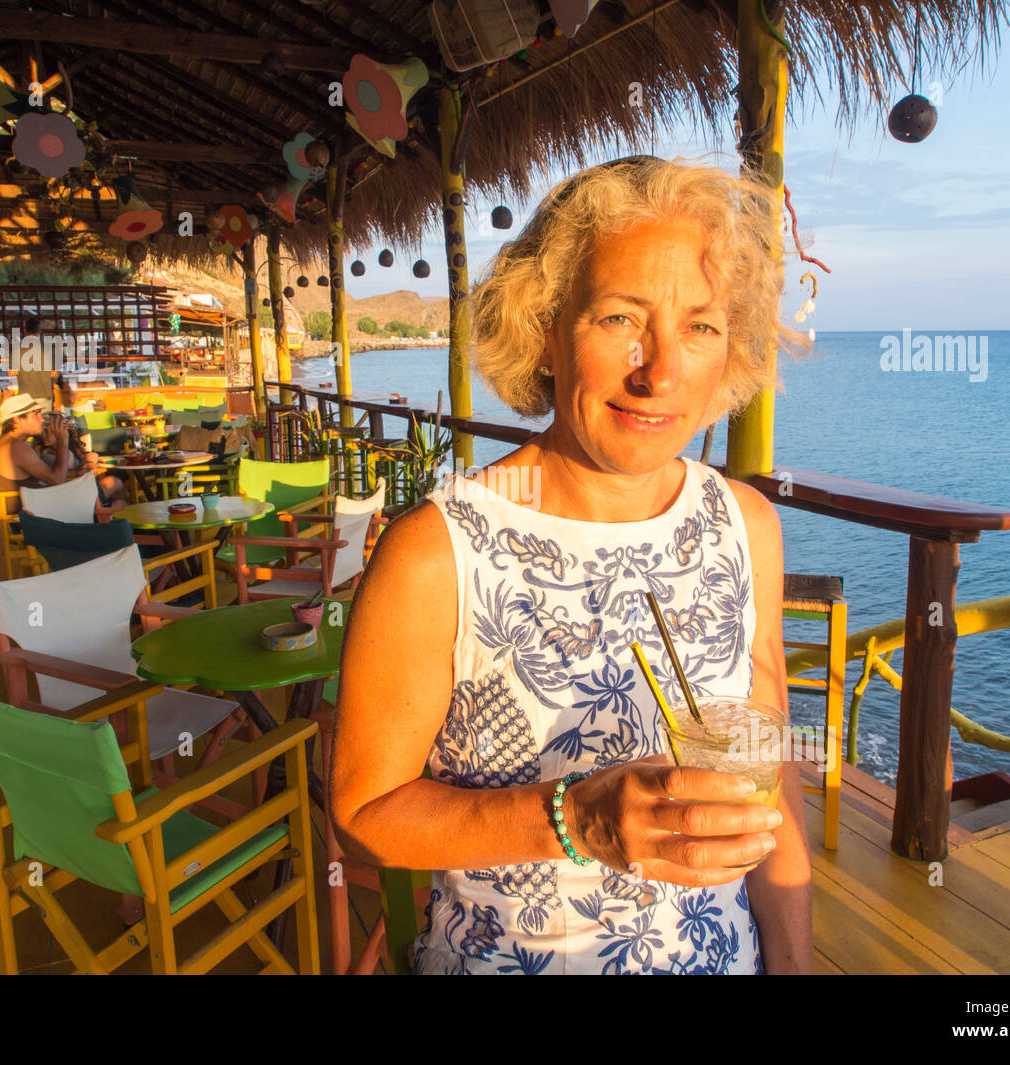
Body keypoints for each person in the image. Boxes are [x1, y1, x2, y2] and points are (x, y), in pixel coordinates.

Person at [330, 156, 814, 974]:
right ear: (546, 329)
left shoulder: (747, 525)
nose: (659, 372)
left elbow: (767, 773)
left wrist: (796, 961)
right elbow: (363, 814)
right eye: (621, 318)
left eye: (699, 326)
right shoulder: (437, 550)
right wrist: (574, 818)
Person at [0, 393, 70, 513]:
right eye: (36, 414)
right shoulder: (16, 448)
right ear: (17, 420)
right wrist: (63, 441)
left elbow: (41, 472)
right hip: (31, 513)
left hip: (33, 503)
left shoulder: (1, 441)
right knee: (101, 488)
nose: (41, 419)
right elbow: (58, 480)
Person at [36, 413, 128, 513]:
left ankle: (111, 514)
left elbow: (87, 459)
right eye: (43, 431)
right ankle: (109, 515)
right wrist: (77, 471)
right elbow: (52, 475)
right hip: (70, 496)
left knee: (116, 486)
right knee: (116, 483)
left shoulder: (69, 449)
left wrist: (89, 460)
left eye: (47, 431)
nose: (43, 435)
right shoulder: (40, 450)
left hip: (78, 490)